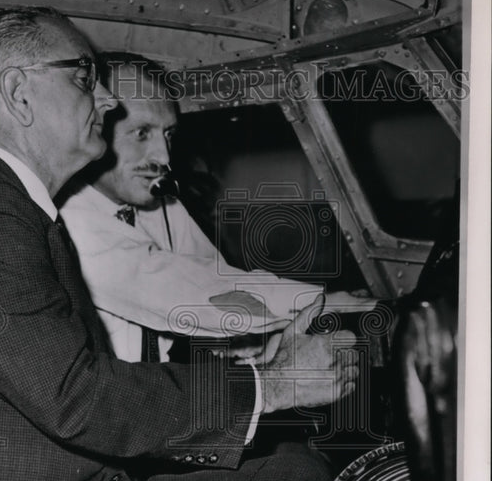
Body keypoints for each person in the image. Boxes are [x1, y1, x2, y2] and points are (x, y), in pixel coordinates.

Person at [0, 7, 359, 481]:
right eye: (83, 76)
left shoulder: (1, 201)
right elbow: (80, 400)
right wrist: (275, 384)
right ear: (18, 94)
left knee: (292, 475)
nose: (104, 100)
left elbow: (206, 281)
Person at [60, 52, 377, 364]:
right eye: (142, 133)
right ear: (96, 129)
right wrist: (328, 304)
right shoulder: (69, 220)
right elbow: (188, 294)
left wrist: (264, 343)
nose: (164, 157)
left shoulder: (155, 203)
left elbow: (215, 274)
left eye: (168, 134)